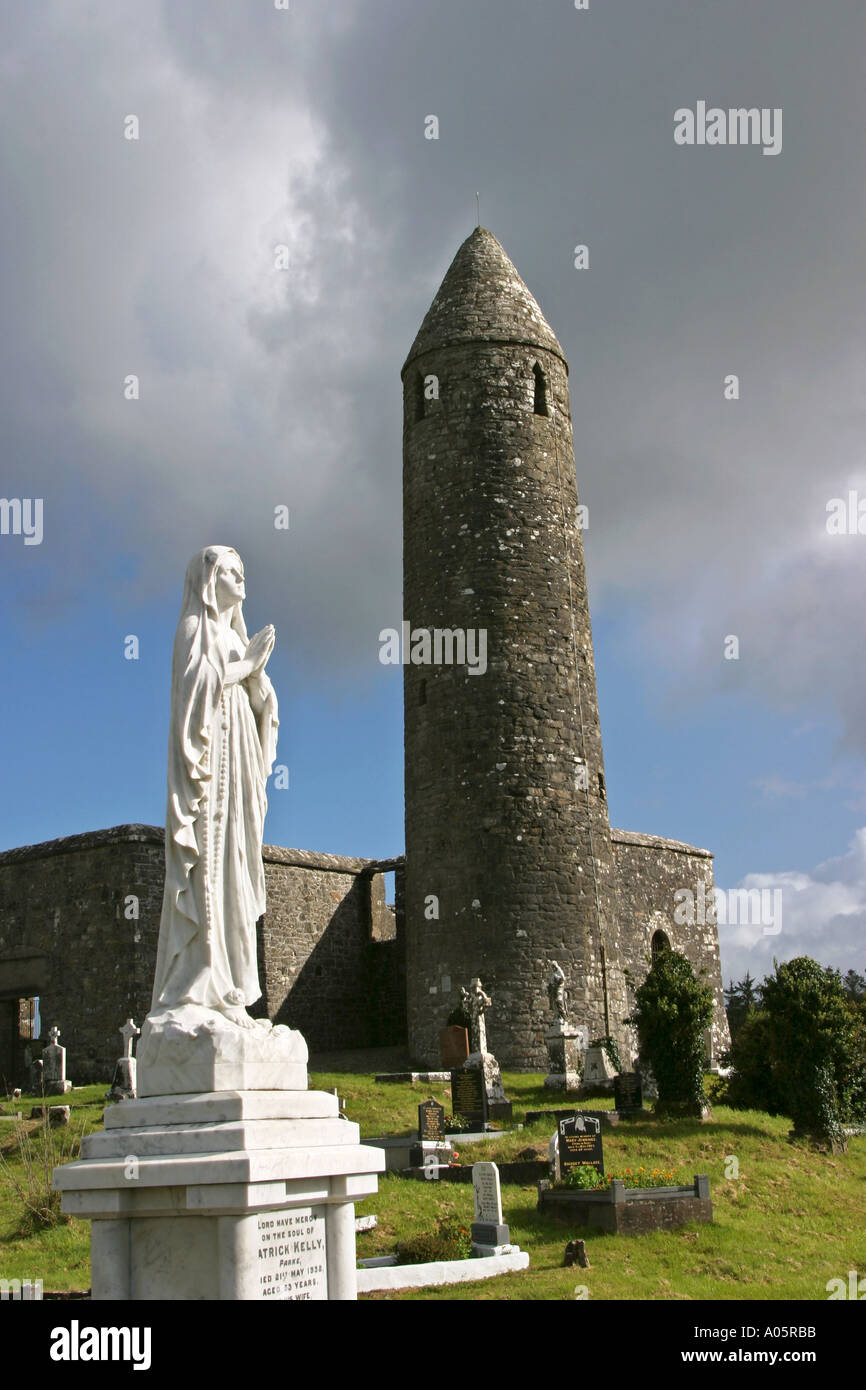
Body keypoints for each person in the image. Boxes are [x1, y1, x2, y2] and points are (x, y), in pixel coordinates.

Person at [151, 545, 278, 1027]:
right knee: (213, 866)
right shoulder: (194, 630)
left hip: (241, 765)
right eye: (231, 571)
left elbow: (262, 708)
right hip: (211, 771)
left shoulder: (235, 637)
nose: (241, 577)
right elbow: (196, 690)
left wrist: (260, 683)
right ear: (209, 580)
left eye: (243, 570)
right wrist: (246, 668)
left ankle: (236, 991)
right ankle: (207, 981)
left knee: (238, 869)